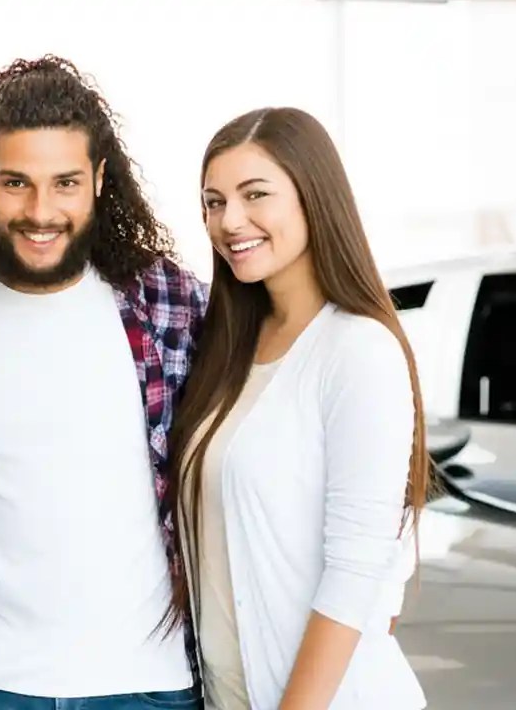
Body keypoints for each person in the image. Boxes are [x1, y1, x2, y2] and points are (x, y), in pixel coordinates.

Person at [0, 55, 207, 709]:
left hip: (149, 685)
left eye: (65, 182)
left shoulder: (170, 304)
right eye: (17, 182)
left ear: (99, 179)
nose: (42, 211)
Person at [167, 107, 430, 709]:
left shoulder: (357, 349)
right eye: (213, 201)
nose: (230, 220)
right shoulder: (227, 347)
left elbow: (357, 574)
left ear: (313, 197)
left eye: (255, 195)